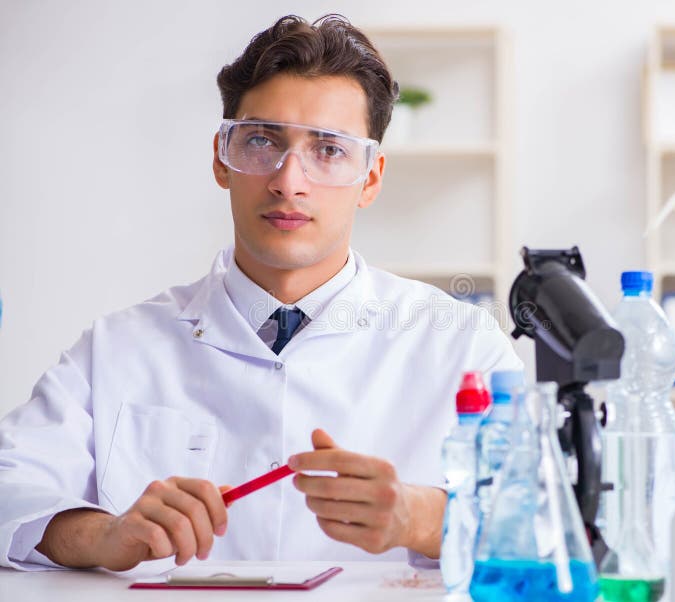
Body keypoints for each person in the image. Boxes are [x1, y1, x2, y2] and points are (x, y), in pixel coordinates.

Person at [0, 14, 521, 572]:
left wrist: (420, 520)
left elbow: (543, 519)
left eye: (329, 150)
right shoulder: (116, 348)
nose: (288, 181)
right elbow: (12, 489)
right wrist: (103, 535)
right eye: (260, 141)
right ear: (221, 158)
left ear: (370, 177)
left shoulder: (463, 345)